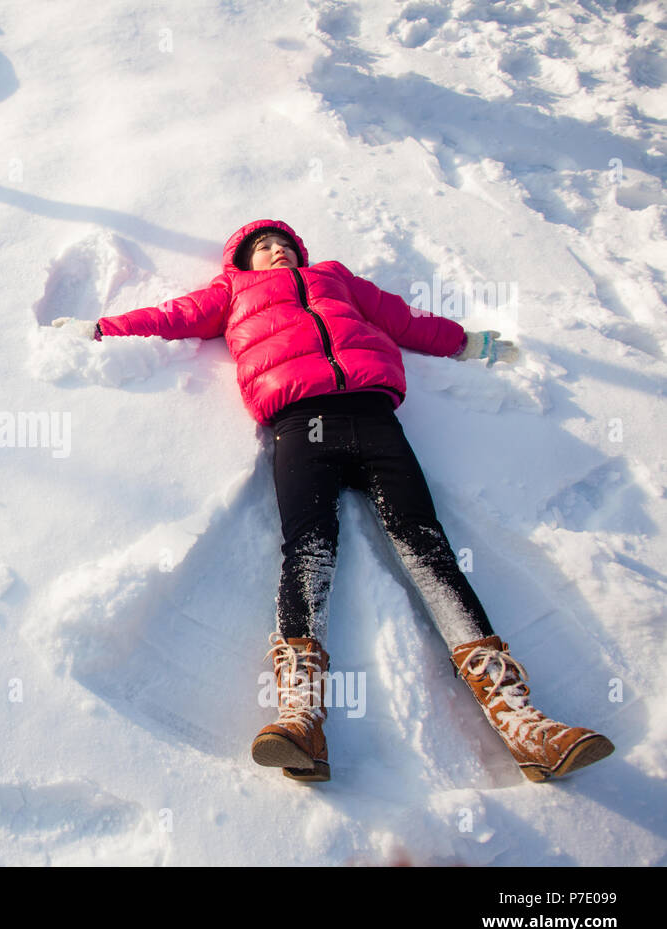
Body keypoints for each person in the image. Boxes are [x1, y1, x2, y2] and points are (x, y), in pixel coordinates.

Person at [54, 219, 613, 783]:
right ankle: (301, 719)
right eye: (262, 248)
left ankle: (523, 722)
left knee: (427, 547)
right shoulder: (232, 294)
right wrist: (100, 329)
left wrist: (469, 342)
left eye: (283, 245)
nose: (275, 252)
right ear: (243, 262)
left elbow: (402, 320)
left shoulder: (336, 279)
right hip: (299, 423)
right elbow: (172, 317)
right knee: (308, 551)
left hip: (373, 417)